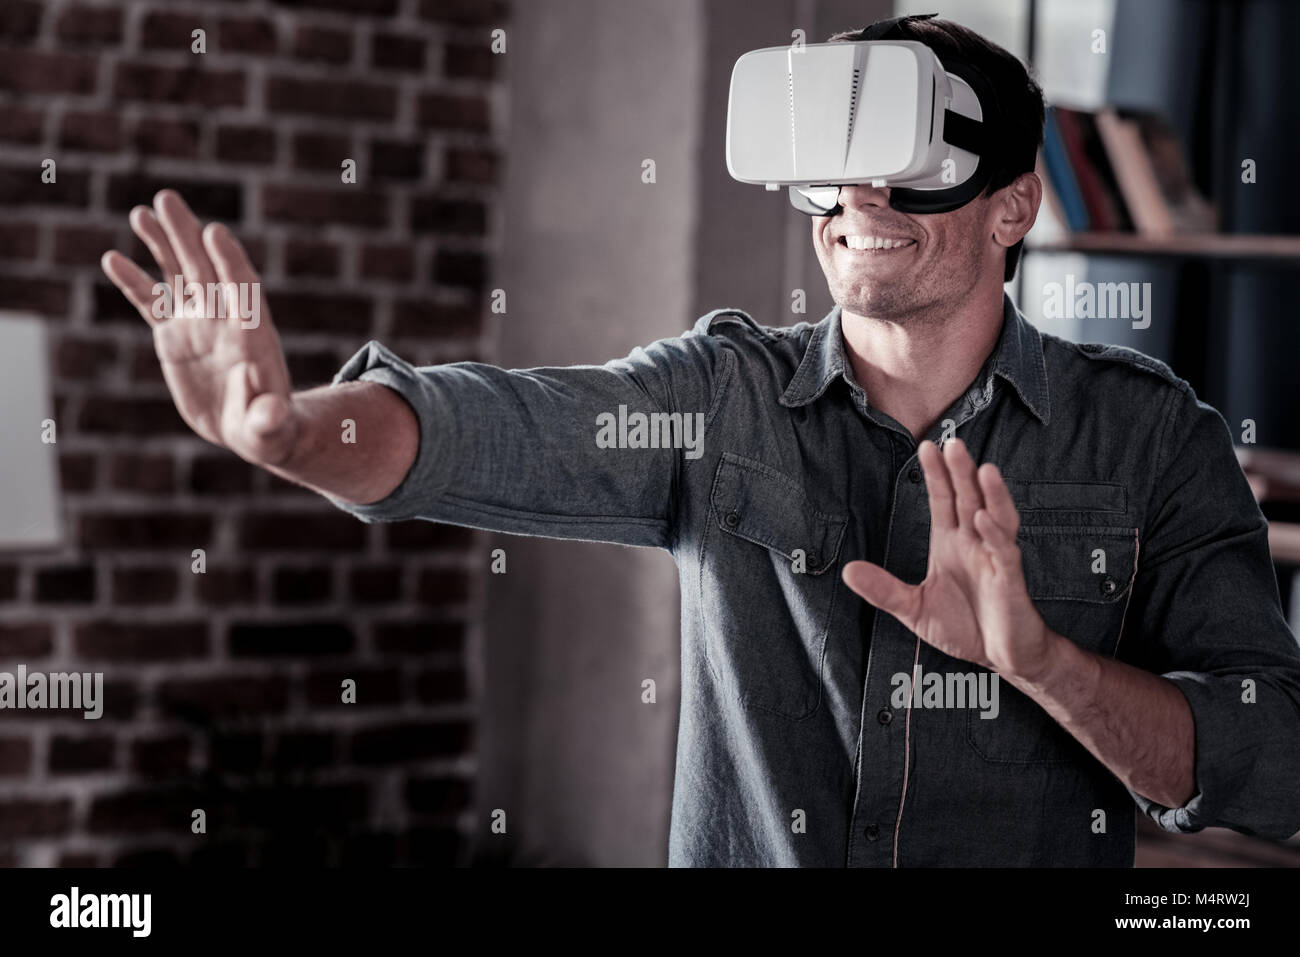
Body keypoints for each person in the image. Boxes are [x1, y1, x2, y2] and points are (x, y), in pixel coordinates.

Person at [101, 16, 1300, 867]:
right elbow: (490, 431)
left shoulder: (1151, 440)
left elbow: (1272, 765)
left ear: (1014, 205)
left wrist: (1042, 662)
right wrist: (297, 432)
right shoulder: (720, 400)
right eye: (834, 169)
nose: (860, 200)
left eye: (907, 166)